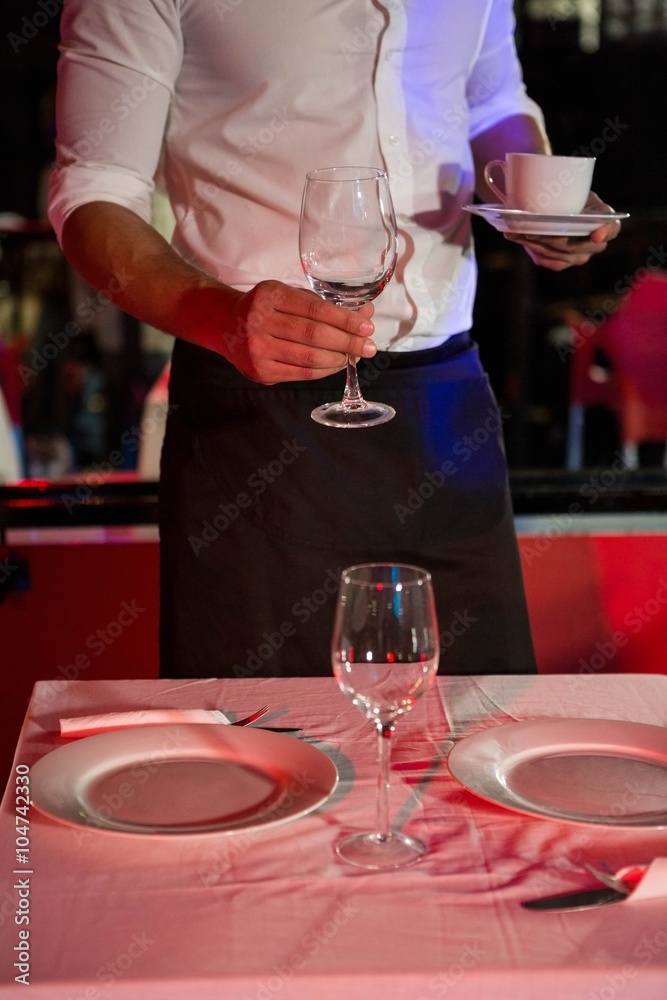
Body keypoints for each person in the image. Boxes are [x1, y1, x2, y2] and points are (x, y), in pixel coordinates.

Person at [48, 1, 620, 678]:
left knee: (479, 721)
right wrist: (219, 316)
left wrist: (538, 200)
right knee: (260, 731)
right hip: (258, 407)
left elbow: (491, 102)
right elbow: (95, 191)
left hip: (448, 404)